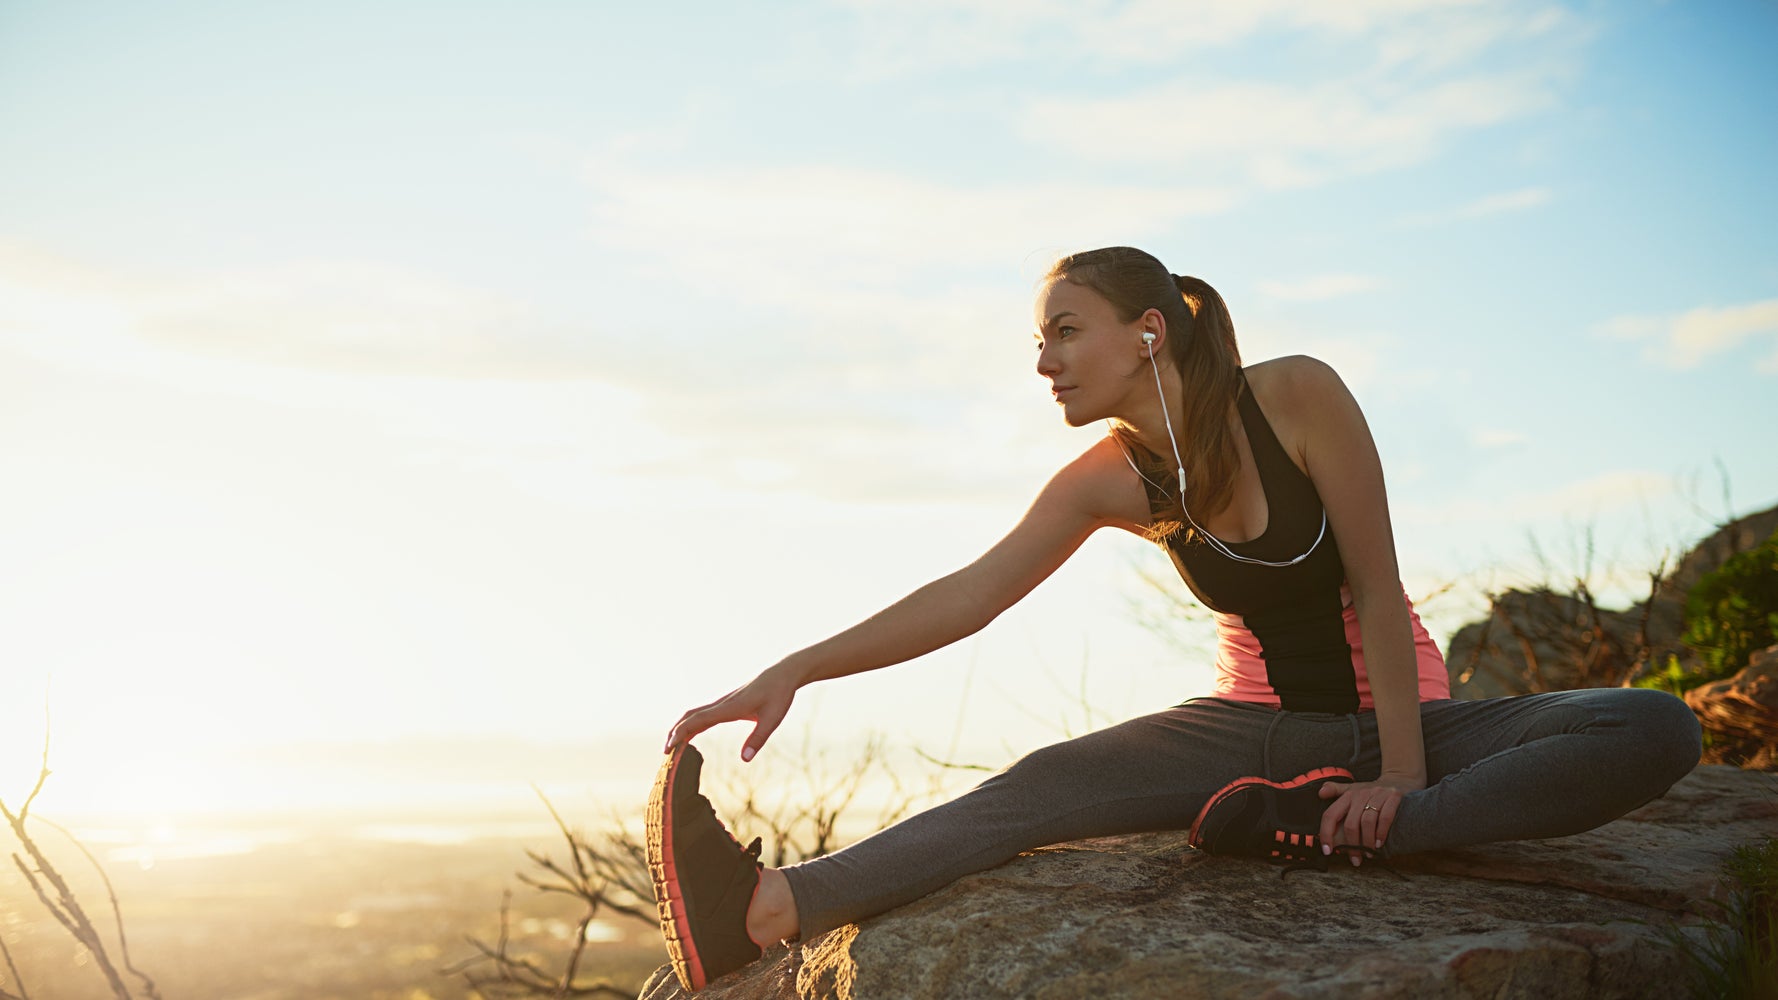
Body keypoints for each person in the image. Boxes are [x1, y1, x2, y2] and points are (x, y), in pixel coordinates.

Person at [644, 246, 1703, 992]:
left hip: (1404, 727)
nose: (1042, 360)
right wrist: (794, 666)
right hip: (1246, 736)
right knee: (1041, 786)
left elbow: (1377, 588)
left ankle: (1327, 827)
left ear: (1146, 330)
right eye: (1039, 338)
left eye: (1064, 331)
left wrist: (1397, 779)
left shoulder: (1294, 396)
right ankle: (767, 909)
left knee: (1653, 728)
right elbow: (968, 594)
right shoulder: (1110, 478)